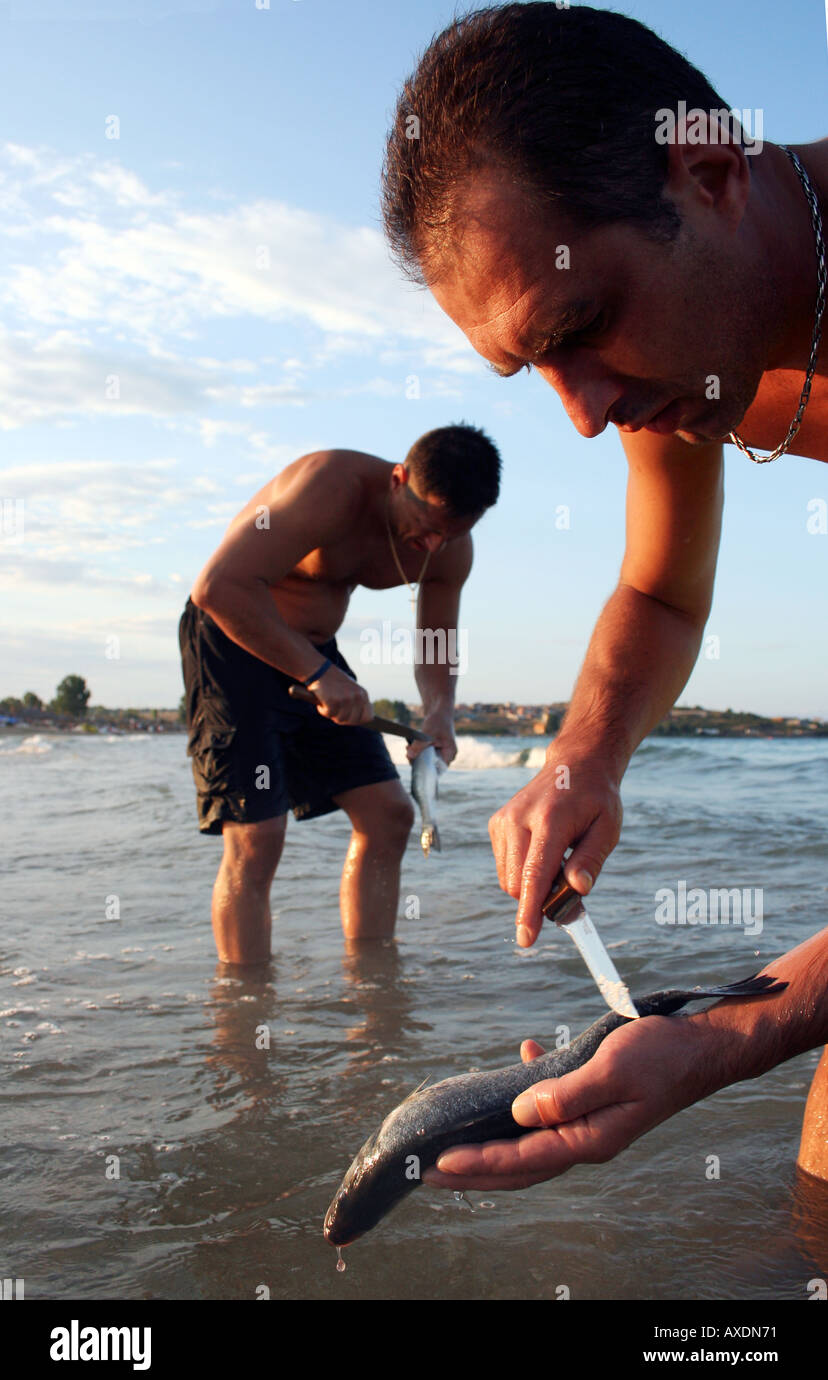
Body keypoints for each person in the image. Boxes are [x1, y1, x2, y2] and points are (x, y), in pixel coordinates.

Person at [379, 3, 828, 1186]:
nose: (582, 415)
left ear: (712, 168)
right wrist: (586, 753)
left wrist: (724, 1042)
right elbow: (659, 589)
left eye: (581, 327)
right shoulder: (686, 361)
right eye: (533, 368)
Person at [179, 424, 501, 965]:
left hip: (314, 655)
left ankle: (374, 986)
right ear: (399, 480)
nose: (433, 546)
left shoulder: (449, 546)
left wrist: (440, 713)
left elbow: (437, 640)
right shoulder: (330, 487)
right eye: (425, 529)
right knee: (257, 838)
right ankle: (244, 1009)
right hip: (233, 639)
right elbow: (217, 587)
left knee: (388, 815)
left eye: (451, 534)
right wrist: (317, 674)